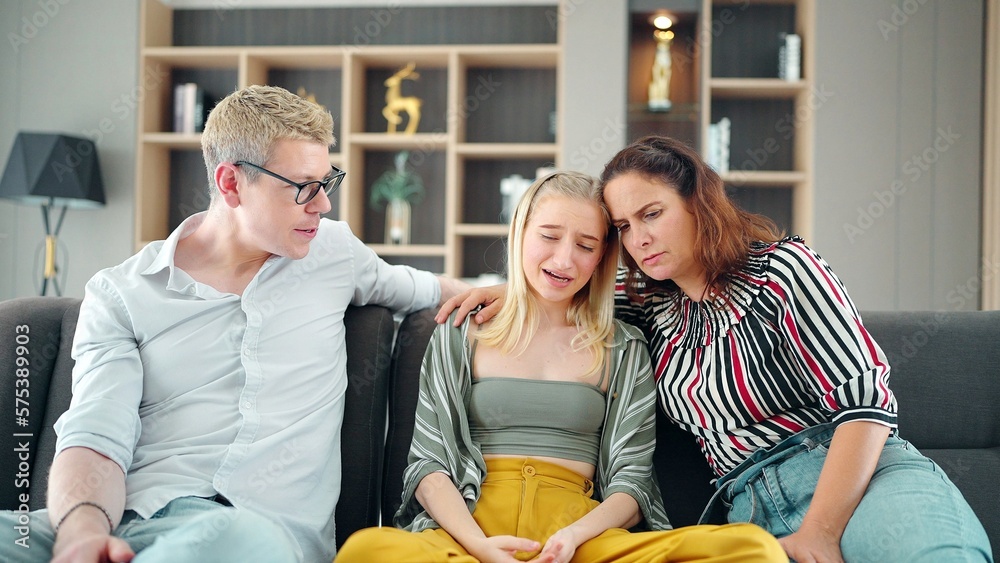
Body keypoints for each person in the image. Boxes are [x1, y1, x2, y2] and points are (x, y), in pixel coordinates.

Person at [437, 136, 993, 563]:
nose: (639, 239)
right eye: (624, 227)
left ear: (698, 203)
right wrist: (508, 289)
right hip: (746, 505)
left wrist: (820, 532)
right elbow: (572, 283)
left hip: (850, 475)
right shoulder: (655, 307)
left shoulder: (781, 269)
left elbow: (867, 402)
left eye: (652, 214)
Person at [0, 85, 469, 563]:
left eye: (328, 182)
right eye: (304, 186)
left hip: (252, 534)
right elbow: (97, 434)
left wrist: (521, 296)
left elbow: (432, 289)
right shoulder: (122, 292)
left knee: (233, 542)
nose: (324, 205)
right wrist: (81, 539)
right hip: (129, 516)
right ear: (231, 184)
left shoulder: (336, 254)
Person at [338, 171, 787, 563]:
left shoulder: (624, 346)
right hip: (469, 532)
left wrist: (571, 539)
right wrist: (480, 547)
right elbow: (428, 466)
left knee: (753, 549)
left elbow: (632, 482)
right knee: (367, 551)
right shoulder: (460, 333)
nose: (564, 260)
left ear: (601, 258)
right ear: (521, 233)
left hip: (582, 536)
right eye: (549, 236)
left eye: (585, 245)